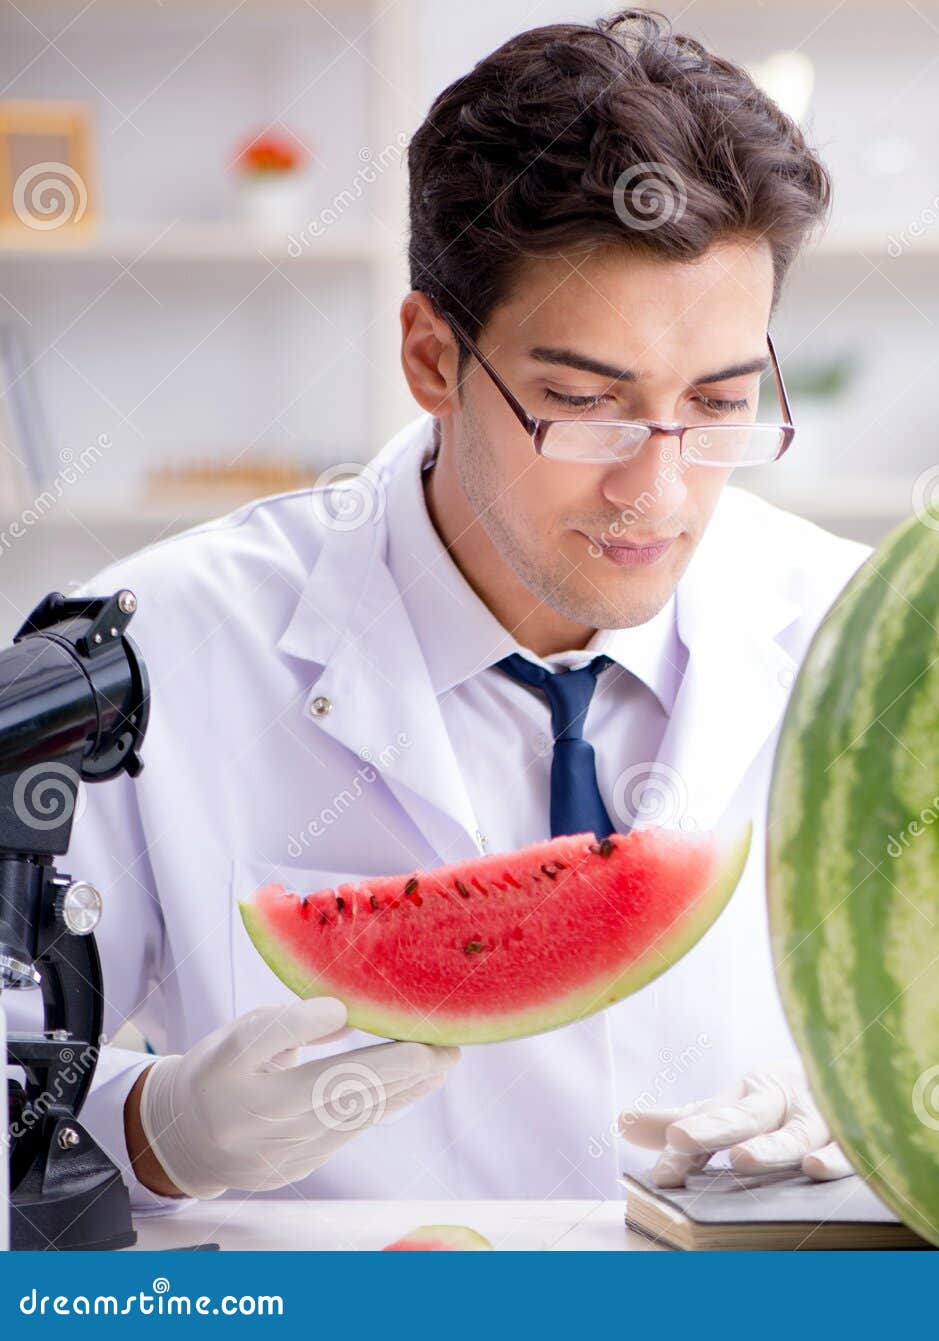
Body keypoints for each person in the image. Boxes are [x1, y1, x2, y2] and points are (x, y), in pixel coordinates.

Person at [33, 9, 869, 1211]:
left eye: (723, 402)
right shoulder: (146, 652)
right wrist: (152, 1129)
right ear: (432, 356)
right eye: (586, 402)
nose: (661, 488)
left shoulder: (864, 638)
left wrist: (899, 1124)